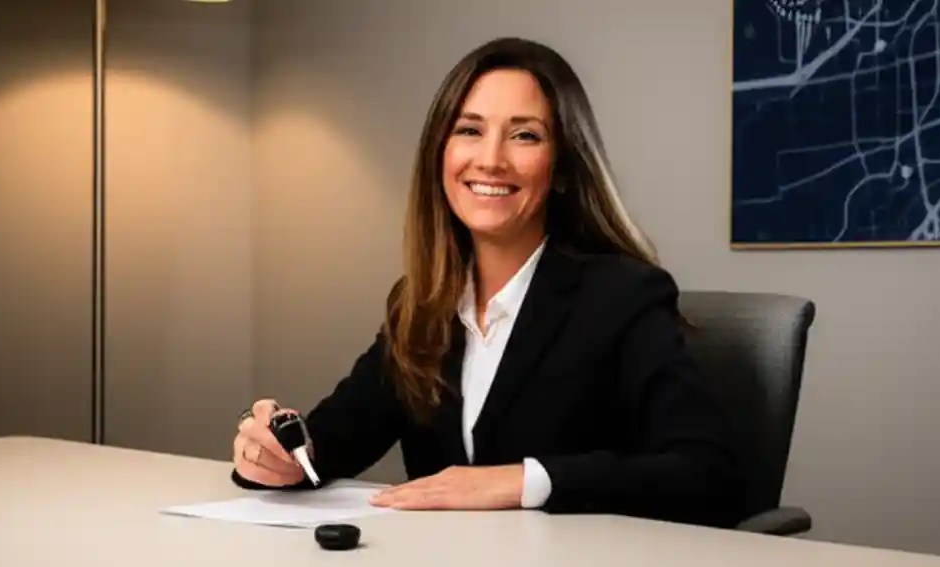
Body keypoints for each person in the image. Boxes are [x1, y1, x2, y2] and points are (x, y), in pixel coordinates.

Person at [231, 37, 746, 528]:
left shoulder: (623, 296)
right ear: (441, 154)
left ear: (562, 168)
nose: (491, 159)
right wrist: (279, 456)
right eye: (469, 130)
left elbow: (708, 476)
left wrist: (522, 482)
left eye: (524, 135)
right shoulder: (421, 304)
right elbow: (335, 442)